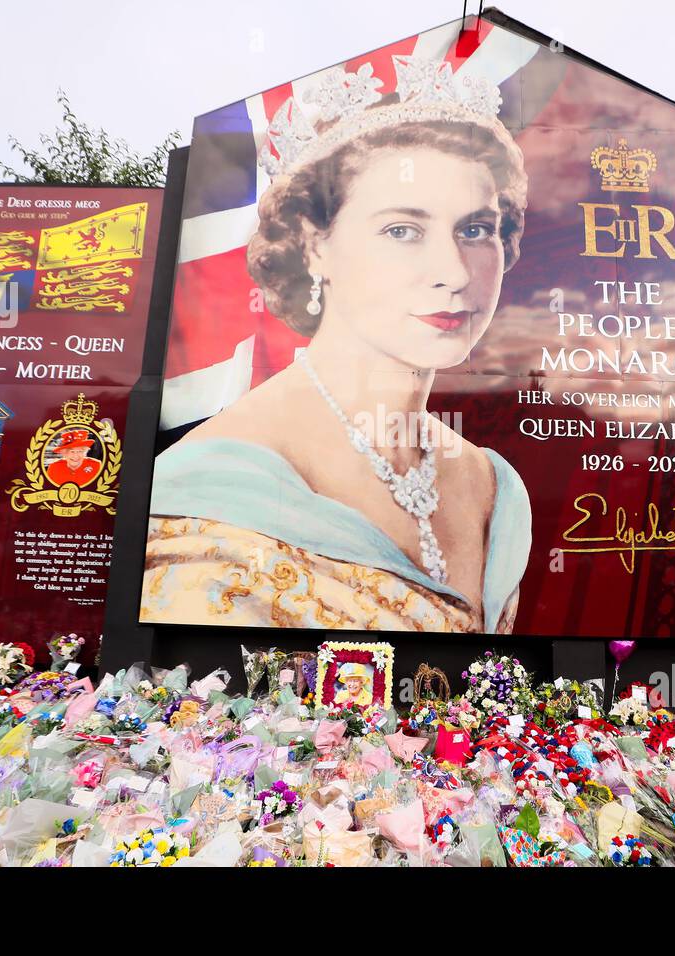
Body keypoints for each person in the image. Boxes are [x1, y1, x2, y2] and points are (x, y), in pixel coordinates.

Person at [143, 55, 533, 633]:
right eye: (402, 230)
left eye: (475, 230)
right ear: (314, 245)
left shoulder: (492, 484)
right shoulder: (208, 487)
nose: (453, 271)